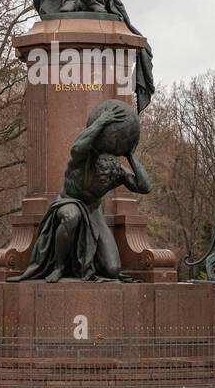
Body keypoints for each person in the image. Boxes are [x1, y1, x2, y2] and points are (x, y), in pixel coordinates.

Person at [11, 100, 151, 281]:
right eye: (101, 176)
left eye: (106, 179)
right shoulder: (81, 160)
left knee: (112, 269)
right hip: (68, 201)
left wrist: (130, 155)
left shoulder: (116, 172)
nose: (104, 180)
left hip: (93, 211)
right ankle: (59, 267)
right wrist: (101, 121)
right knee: (71, 216)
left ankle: (82, 264)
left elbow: (145, 187)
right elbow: (77, 146)